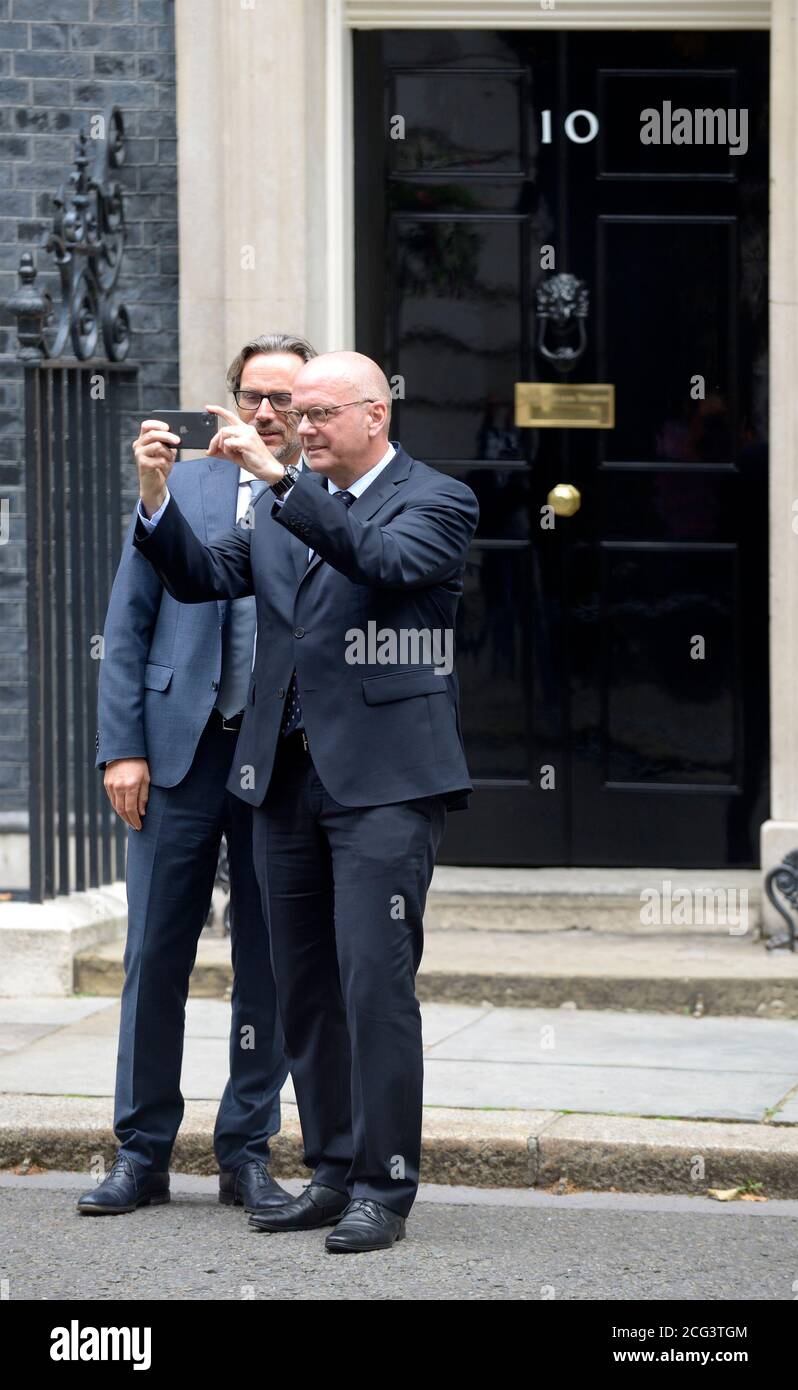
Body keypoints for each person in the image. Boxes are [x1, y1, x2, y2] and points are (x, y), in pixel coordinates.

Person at [131, 350, 479, 1252]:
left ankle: (384, 1188)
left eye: (320, 412)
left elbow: (384, 563)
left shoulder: (436, 500)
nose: (303, 424)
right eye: (295, 411)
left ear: (376, 415)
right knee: (305, 990)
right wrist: (157, 495)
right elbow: (202, 576)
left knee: (374, 985)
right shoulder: (289, 511)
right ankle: (330, 1170)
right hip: (281, 781)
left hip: (385, 786)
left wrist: (284, 481)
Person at [78, 333, 317, 1217]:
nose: (265, 412)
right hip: (178, 749)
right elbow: (128, 621)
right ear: (231, 398)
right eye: (253, 394)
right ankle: (140, 1151)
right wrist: (122, 747)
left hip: (279, 762)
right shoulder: (188, 483)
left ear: (310, 410)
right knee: (154, 956)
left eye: (285, 399)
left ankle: (245, 1152)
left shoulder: (323, 492)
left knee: (270, 962)